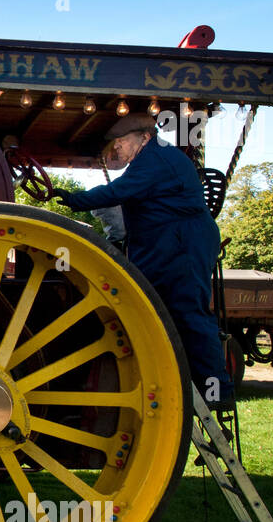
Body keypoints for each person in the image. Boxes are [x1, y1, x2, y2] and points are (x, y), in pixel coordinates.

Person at [53, 113, 235, 410]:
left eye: (121, 143)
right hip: (170, 245)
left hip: (182, 245)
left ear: (144, 137)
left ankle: (217, 390)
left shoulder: (157, 159)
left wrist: (74, 199)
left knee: (189, 312)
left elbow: (116, 192)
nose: (118, 151)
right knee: (169, 312)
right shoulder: (153, 158)